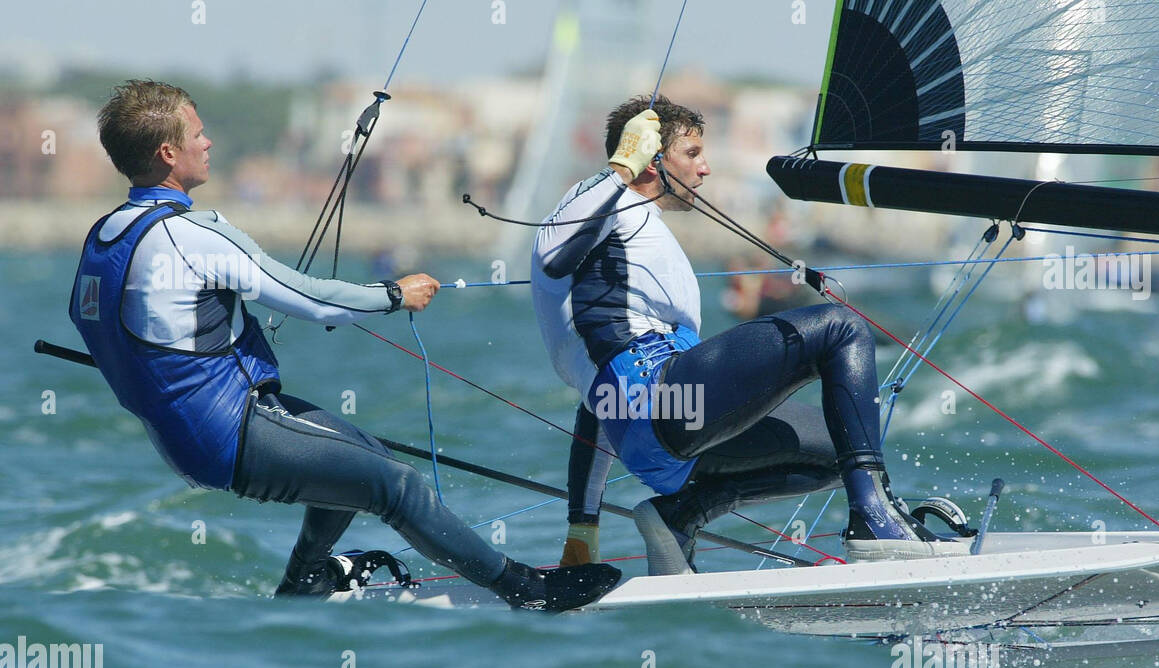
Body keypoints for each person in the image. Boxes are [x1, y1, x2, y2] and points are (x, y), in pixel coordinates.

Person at [70, 80, 619, 609]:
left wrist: (158, 368)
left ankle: (305, 578)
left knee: (368, 455)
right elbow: (307, 299)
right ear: (168, 153)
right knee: (397, 486)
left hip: (184, 435)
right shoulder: (188, 236)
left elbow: (97, 326)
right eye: (198, 134)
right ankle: (526, 589)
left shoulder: (105, 237)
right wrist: (391, 294)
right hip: (230, 428)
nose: (208, 142)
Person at [532, 95, 964, 574]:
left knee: (850, 441)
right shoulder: (599, 200)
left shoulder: (622, 237)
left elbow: (598, 401)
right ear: (652, 158)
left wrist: (583, 527)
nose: (706, 168)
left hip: (660, 429)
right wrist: (619, 169)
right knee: (841, 327)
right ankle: (875, 521)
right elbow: (553, 256)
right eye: (692, 153)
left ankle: (680, 515)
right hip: (659, 401)